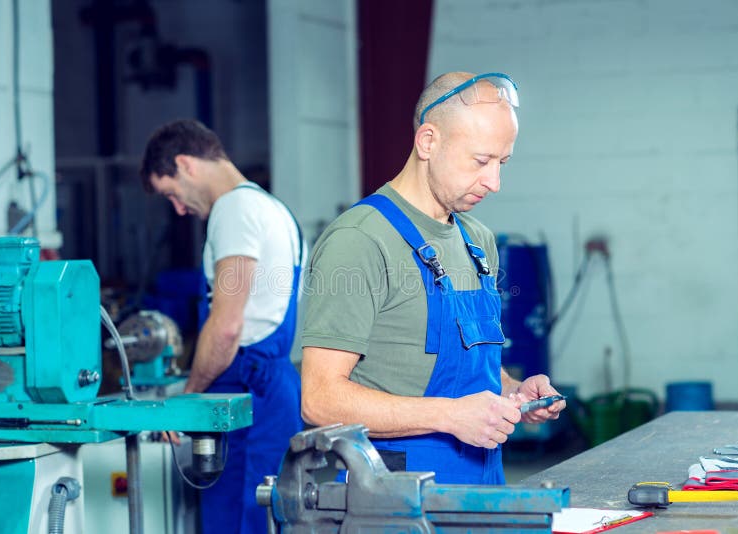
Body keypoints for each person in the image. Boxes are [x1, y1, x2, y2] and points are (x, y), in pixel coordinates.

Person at [301, 71, 565, 485]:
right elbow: (319, 400)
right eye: (480, 161)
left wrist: (512, 392)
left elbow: (473, 371)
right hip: (396, 499)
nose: (494, 183)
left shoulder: (477, 242)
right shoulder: (359, 240)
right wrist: (450, 415)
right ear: (428, 141)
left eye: (502, 162)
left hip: (483, 488)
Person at [139, 119, 304, 533]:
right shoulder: (270, 208)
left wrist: (188, 401)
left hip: (245, 397)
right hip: (271, 389)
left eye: (171, 193)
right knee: (268, 518)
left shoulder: (234, 209)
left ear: (185, 164)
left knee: (237, 520)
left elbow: (227, 325)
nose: (178, 209)